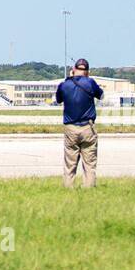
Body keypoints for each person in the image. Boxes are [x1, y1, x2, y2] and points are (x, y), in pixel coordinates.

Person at [55, 57, 103, 188]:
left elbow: (58, 99)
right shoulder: (90, 83)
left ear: (74, 69)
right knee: (89, 164)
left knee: (70, 163)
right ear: (87, 71)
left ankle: (68, 187)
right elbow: (101, 95)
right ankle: (89, 188)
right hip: (88, 127)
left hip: (70, 128)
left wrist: (69, 79)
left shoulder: (64, 85)